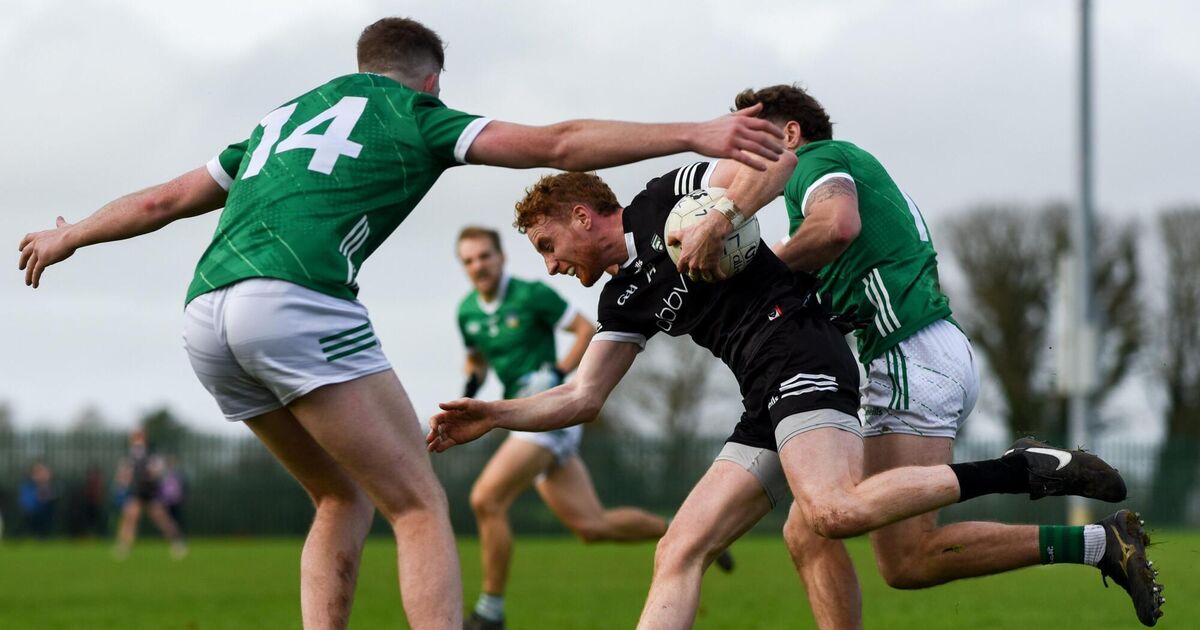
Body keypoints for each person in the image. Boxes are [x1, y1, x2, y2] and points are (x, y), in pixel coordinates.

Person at [16, 16, 785, 630]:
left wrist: (72, 232)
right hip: (293, 301)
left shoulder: (281, 117)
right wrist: (694, 132)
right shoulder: (417, 113)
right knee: (417, 505)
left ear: (360, 63)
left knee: (340, 497)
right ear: (432, 78)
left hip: (205, 313)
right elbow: (555, 145)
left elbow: (162, 202)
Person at [426, 163, 1129, 629]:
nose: (551, 266)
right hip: (762, 396)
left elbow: (772, 166)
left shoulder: (663, 198)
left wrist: (718, 217)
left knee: (831, 512)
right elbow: (581, 397)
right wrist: (493, 415)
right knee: (678, 548)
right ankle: (1036, 483)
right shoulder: (623, 299)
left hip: (803, 350)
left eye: (548, 245)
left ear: (583, 215)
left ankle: (1022, 469)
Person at [668, 83, 1164, 628]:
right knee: (808, 531)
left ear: (788, 134)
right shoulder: (823, 176)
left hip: (908, 355)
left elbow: (838, 226)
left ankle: (1039, 482)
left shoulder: (815, 158)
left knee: (906, 560)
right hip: (920, 353)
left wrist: (768, 273)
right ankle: (1098, 540)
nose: (736, 159)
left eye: (747, 141)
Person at [457, 225, 714, 630]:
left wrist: (557, 373)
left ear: (500, 257)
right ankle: (684, 532)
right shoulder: (467, 311)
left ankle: (489, 612)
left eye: (484, 256)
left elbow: (581, 330)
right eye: (469, 260)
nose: (478, 266)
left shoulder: (530, 295)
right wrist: (471, 382)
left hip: (543, 411)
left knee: (486, 499)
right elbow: (475, 358)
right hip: (519, 416)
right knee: (592, 526)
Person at [113, 430, 187, 559]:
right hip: (137, 491)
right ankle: (124, 545)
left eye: (139, 438)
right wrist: (123, 482)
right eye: (135, 439)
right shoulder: (130, 457)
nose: (137, 441)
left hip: (151, 491)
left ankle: (177, 541)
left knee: (161, 518)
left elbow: (157, 472)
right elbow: (124, 475)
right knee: (130, 516)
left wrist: (150, 474)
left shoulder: (152, 455)